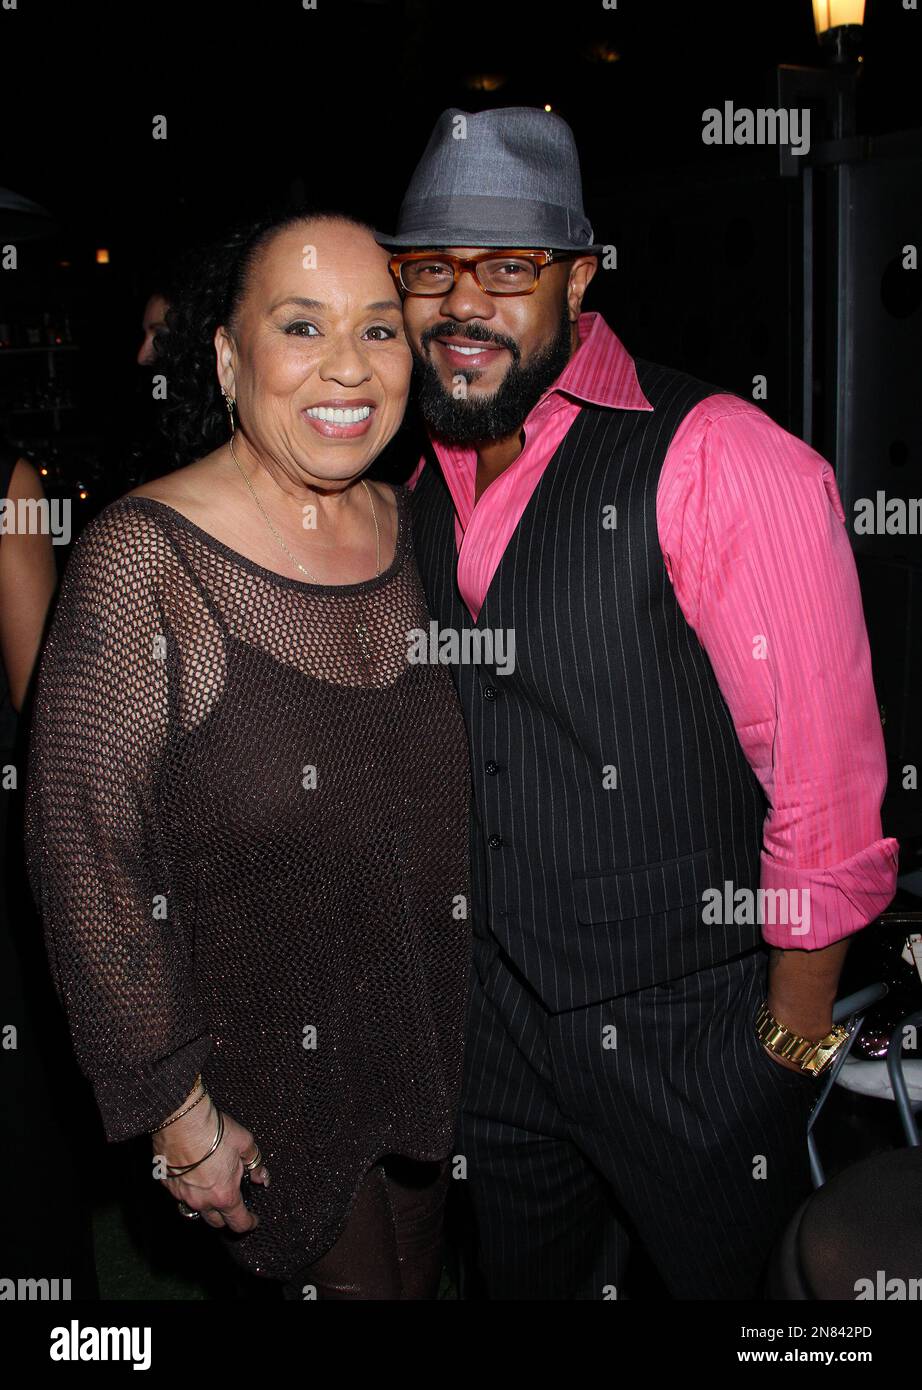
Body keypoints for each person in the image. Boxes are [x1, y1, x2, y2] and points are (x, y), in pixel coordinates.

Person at [375, 106, 900, 1300]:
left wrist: (782, 1053)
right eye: (428, 269)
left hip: (700, 1037)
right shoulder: (416, 476)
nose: (461, 305)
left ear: (579, 276)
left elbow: (821, 794)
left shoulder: (720, 454)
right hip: (496, 1033)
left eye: (507, 268)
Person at [23, 210, 472, 1300]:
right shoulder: (146, 558)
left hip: (424, 1042)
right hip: (263, 1077)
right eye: (302, 325)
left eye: (379, 330)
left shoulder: (421, 530)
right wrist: (174, 1109)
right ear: (228, 357)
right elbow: (81, 849)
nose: (346, 368)